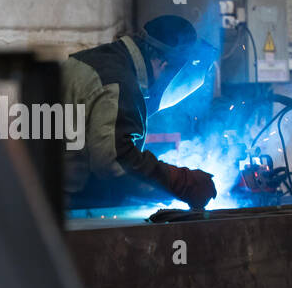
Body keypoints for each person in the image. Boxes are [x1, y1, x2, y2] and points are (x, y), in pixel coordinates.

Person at [62, 15, 217, 210]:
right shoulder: (119, 82)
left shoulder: (97, 60)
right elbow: (114, 162)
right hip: (70, 207)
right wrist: (179, 182)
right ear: (164, 65)